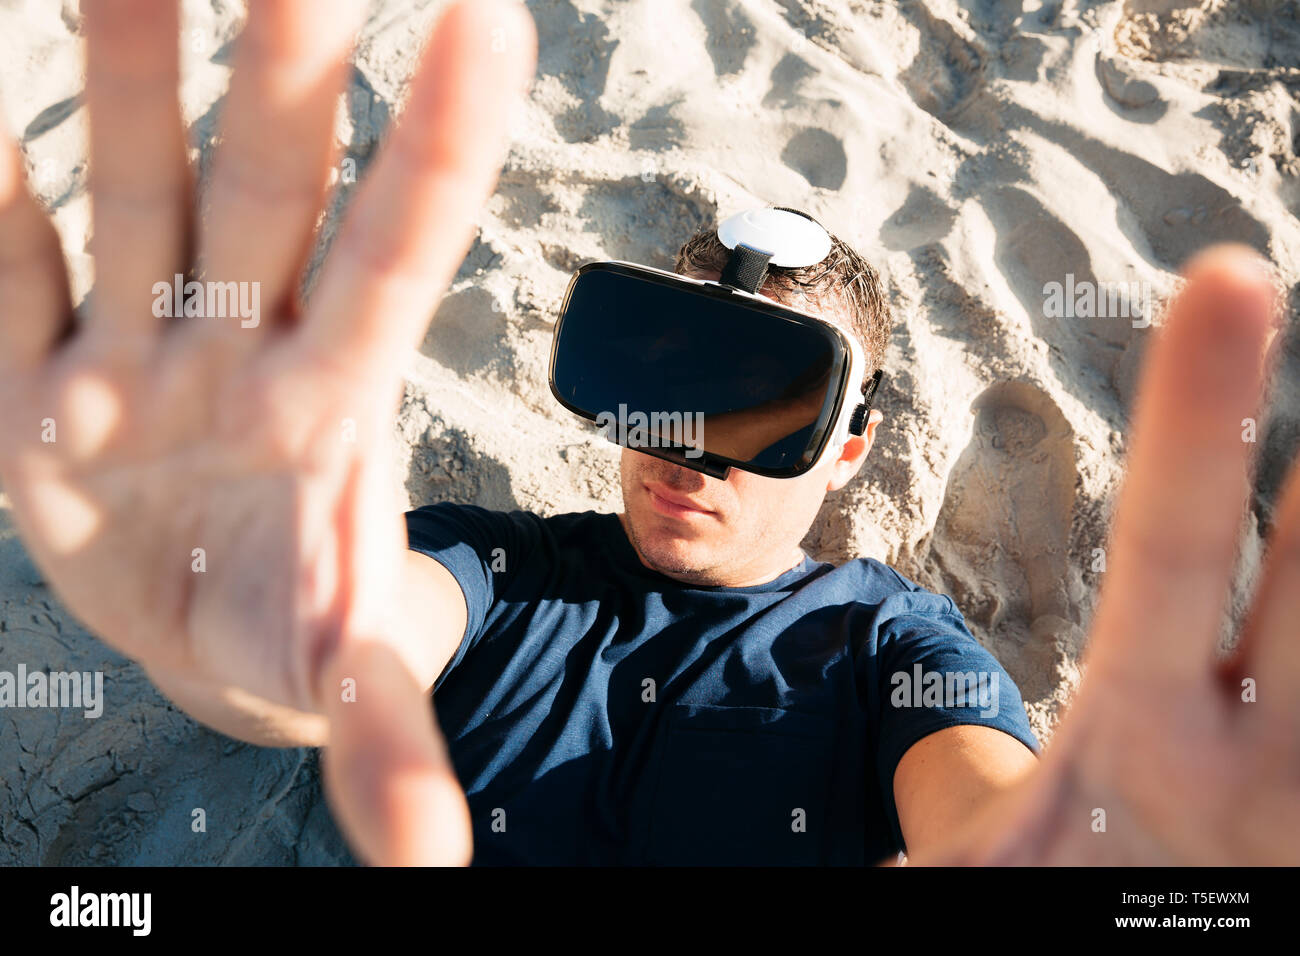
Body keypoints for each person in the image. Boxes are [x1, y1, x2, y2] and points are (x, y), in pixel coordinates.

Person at [0, 0, 1294, 866]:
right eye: (670, 383)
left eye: (769, 407)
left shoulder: (884, 642)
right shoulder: (495, 576)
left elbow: (980, 809)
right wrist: (249, 619)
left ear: (849, 446)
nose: (691, 447)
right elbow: (335, 642)